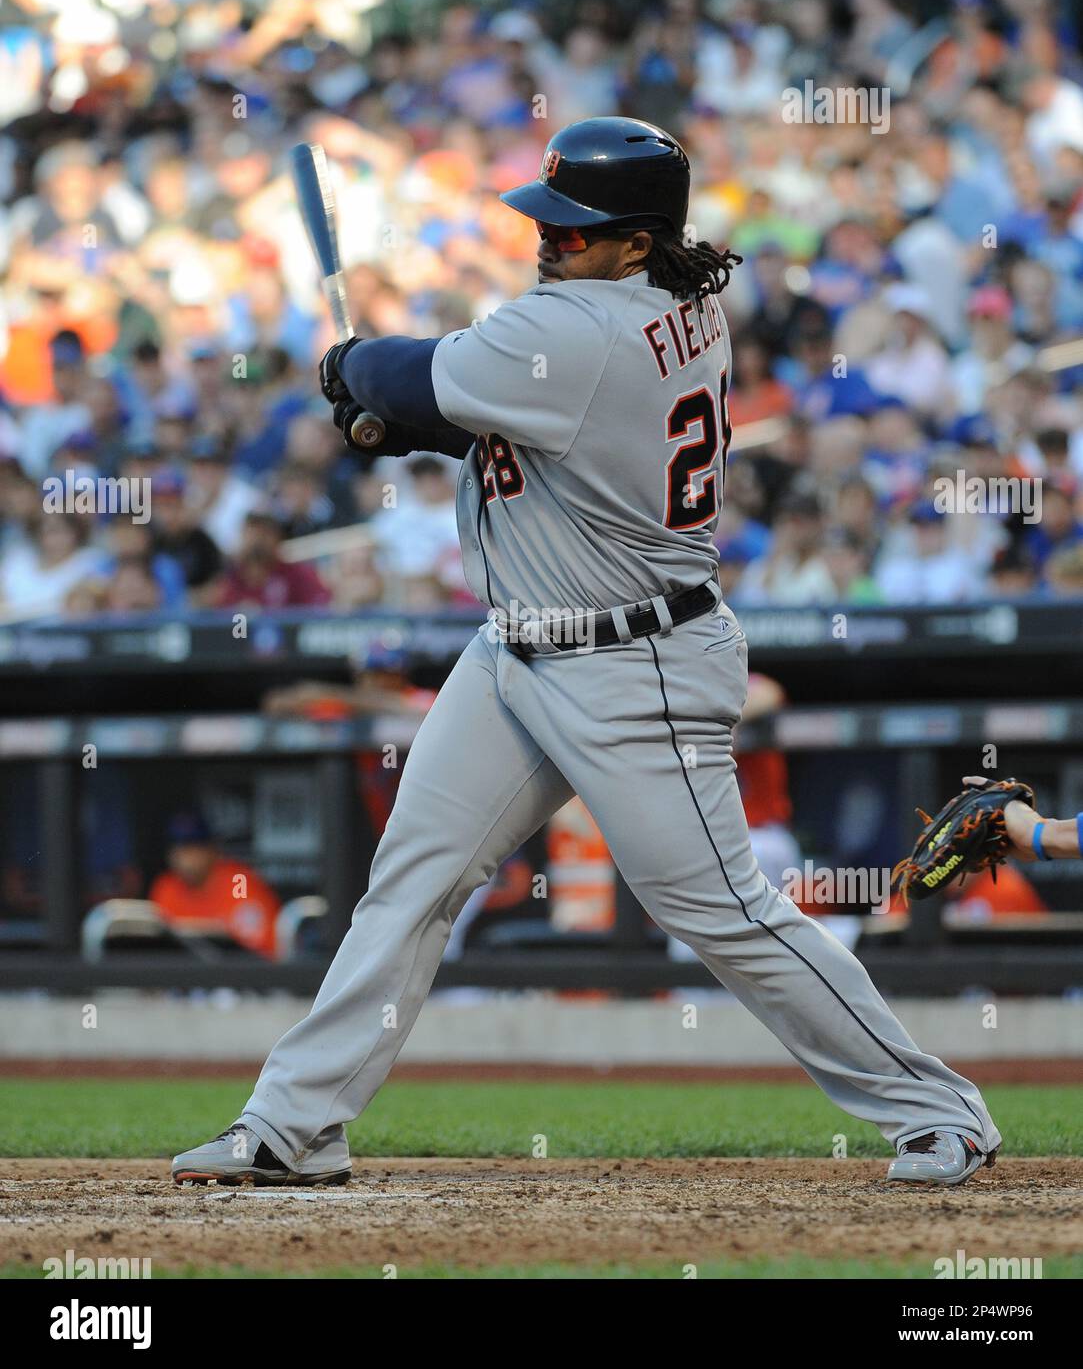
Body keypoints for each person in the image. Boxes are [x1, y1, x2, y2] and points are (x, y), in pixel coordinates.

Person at [174, 117, 1000, 1191]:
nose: (551, 239)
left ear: (636, 242)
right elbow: (508, 422)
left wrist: (352, 371)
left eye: (578, 228)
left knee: (723, 910)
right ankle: (295, 1122)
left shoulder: (576, 331)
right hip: (517, 652)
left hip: (634, 665)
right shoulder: (677, 309)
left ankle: (939, 1108)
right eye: (549, 220)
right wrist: (403, 410)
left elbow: (405, 373)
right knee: (411, 882)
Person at [149, 810, 281, 959]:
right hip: (186, 975)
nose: (184, 858)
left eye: (193, 847)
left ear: (212, 849)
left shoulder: (239, 881)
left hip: (235, 973)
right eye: (178, 848)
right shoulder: (166, 887)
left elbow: (258, 947)